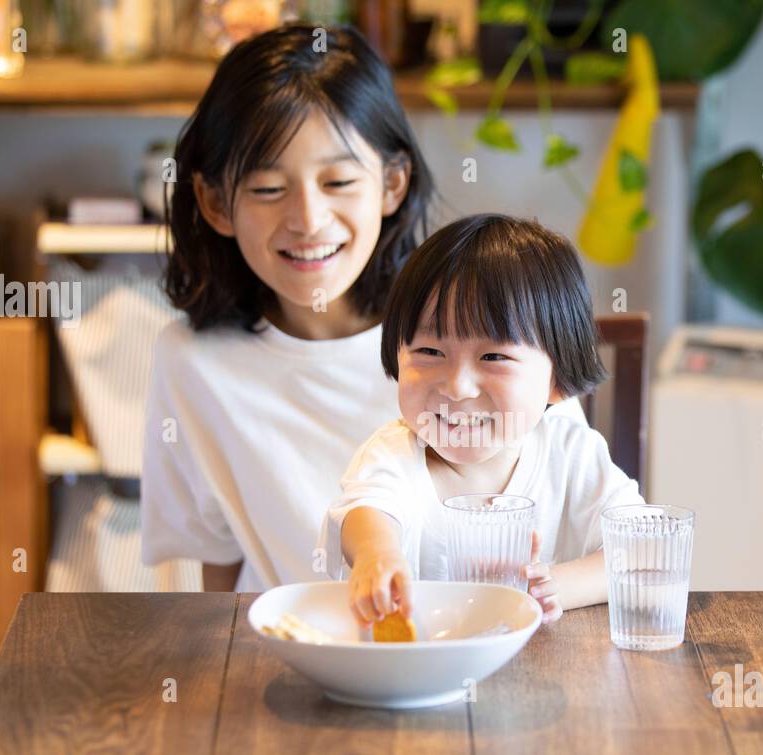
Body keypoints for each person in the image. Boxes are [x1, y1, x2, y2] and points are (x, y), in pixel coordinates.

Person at [142, 24, 586, 592]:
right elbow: (218, 572)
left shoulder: (488, 329)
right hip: (298, 657)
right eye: (268, 189)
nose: (308, 220)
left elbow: (573, 510)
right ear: (214, 203)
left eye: (339, 180)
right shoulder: (192, 362)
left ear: (393, 183)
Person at [321, 214, 645, 626]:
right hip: (426, 673)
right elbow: (367, 511)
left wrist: (556, 587)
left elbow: (637, 548)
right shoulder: (393, 453)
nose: (457, 387)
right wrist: (377, 556)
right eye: (429, 352)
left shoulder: (572, 453)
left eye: (493, 357)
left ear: (558, 381)